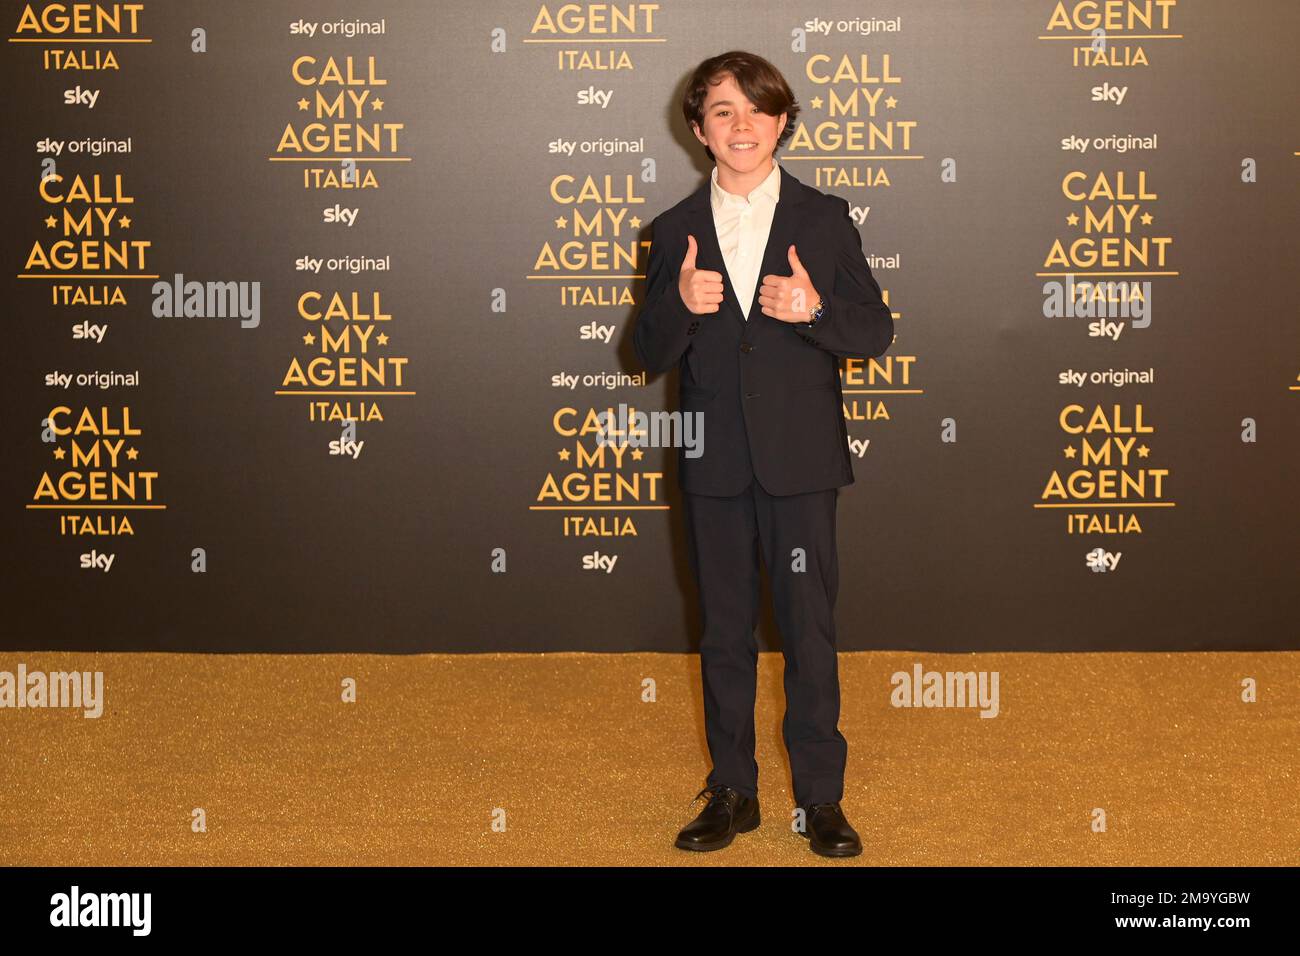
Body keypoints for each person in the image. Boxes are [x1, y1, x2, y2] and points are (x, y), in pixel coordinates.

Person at [632, 50, 894, 858]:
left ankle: (821, 799)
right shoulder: (671, 232)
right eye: (722, 111)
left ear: (782, 122)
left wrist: (815, 310)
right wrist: (677, 304)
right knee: (724, 634)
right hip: (713, 467)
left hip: (802, 465)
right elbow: (644, 351)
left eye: (757, 109)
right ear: (700, 132)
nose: (741, 125)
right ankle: (733, 791)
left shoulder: (823, 220)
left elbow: (875, 331)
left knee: (809, 632)